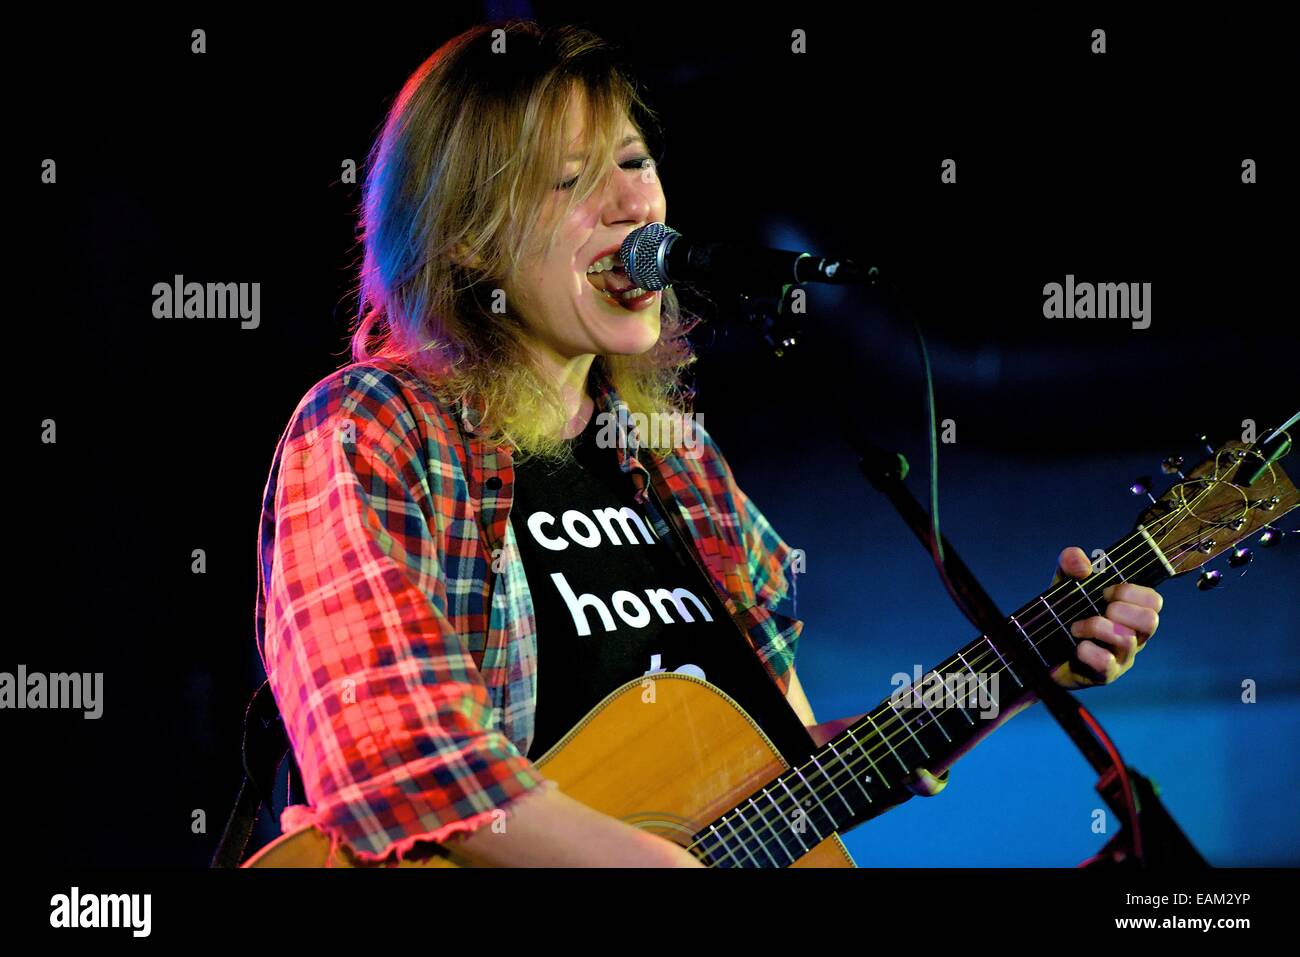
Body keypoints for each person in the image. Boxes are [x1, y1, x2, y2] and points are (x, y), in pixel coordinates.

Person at [254, 20, 1163, 868]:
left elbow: (786, 777)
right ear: (469, 244)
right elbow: (394, 750)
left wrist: (1017, 670)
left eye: (635, 161)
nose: (631, 205)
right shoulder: (377, 426)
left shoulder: (676, 461)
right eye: (571, 180)